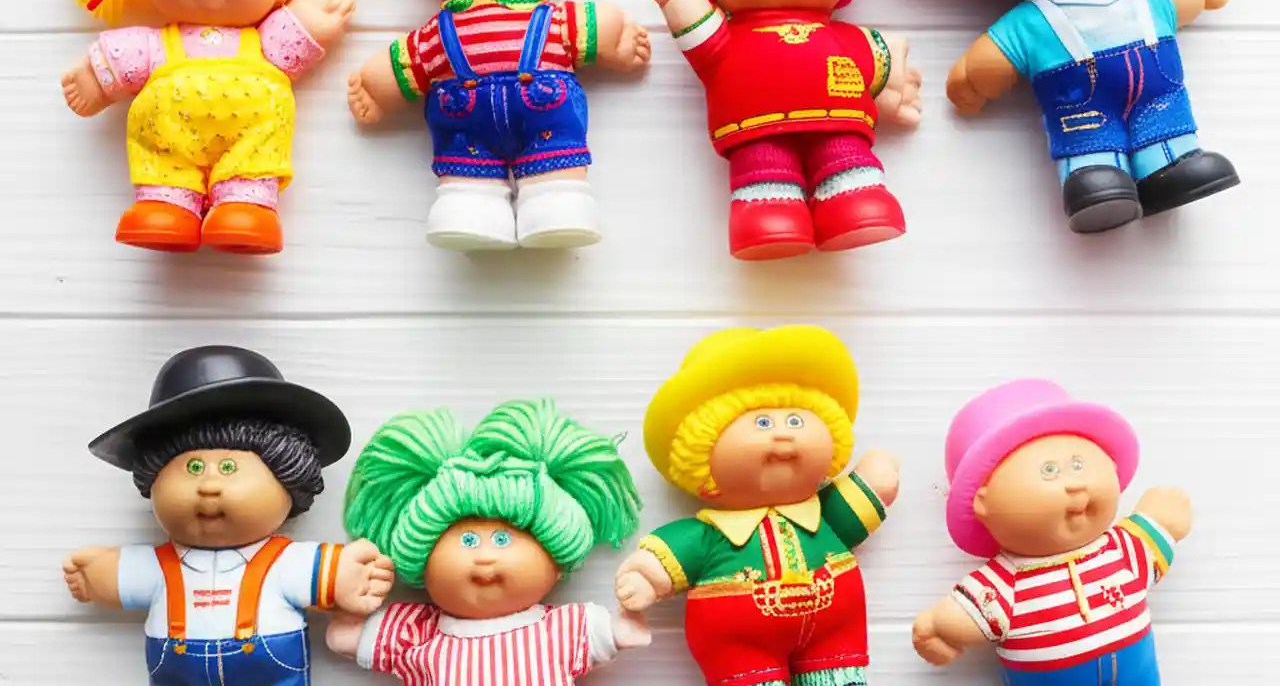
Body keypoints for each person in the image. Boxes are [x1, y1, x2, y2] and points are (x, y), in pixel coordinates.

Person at [62, 346, 394, 686]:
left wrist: (347, 575)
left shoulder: (284, 562)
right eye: (192, 468)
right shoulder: (158, 567)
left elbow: (326, 574)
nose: (208, 485)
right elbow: (122, 575)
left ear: (287, 480)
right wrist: (97, 577)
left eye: (229, 467)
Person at [613, 326, 901, 686]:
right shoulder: (708, 536)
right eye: (762, 423)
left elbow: (857, 506)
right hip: (739, 647)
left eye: (796, 420)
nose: (783, 433)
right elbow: (672, 556)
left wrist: (873, 481)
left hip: (834, 637)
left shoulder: (822, 515)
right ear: (703, 455)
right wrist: (646, 577)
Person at [327, 398, 650, 685]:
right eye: (467, 540)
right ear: (423, 565)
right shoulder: (417, 632)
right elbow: (344, 637)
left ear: (555, 565)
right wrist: (349, 600)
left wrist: (634, 605)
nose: (485, 557)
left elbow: (624, 633)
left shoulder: (557, 630)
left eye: (501, 539)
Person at [347, 0, 651, 251]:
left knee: (556, 174)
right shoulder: (437, 32)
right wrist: (377, 88)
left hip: (536, 124)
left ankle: (556, 202)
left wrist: (617, 40)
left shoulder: (557, 18)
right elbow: (405, 64)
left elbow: (600, 26)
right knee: (466, 190)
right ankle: (471, 209)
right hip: (474, 133)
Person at [912, 379, 1193, 685]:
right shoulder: (1007, 581)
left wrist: (1161, 519)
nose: (1075, 484)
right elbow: (964, 617)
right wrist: (943, 627)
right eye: (1049, 471)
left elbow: (1157, 533)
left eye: (1078, 463)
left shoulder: (1121, 550)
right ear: (983, 502)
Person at [61, 0, 357, 254]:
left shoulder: (263, 43)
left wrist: (310, 17)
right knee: (165, 171)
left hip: (248, 147)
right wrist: (94, 82)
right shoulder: (156, 45)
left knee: (251, 171)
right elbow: (126, 57)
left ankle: (246, 206)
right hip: (172, 145)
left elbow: (290, 45)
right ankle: (165, 204)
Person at [635, 0, 923, 260]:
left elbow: (872, 67)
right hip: (755, 135)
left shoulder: (840, 36)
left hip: (840, 124)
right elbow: (701, 39)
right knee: (764, 179)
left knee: (850, 168)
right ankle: (768, 209)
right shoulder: (726, 38)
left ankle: (853, 196)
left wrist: (890, 96)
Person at [949, 0, 1237, 232]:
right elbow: (995, 57)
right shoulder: (1029, 20)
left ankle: (1170, 163)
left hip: (1157, 97)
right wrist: (976, 74)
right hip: (1085, 110)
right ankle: (1096, 178)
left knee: (1162, 119)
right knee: (1091, 154)